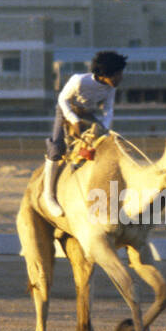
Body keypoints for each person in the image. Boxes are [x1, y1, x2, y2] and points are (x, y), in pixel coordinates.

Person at [42, 50, 127, 216]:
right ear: (105, 74)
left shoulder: (110, 88)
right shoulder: (79, 81)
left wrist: (105, 129)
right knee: (57, 148)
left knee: (105, 144)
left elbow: (108, 110)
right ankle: (49, 195)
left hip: (87, 112)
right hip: (67, 109)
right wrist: (73, 119)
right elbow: (62, 99)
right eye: (118, 75)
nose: (120, 78)